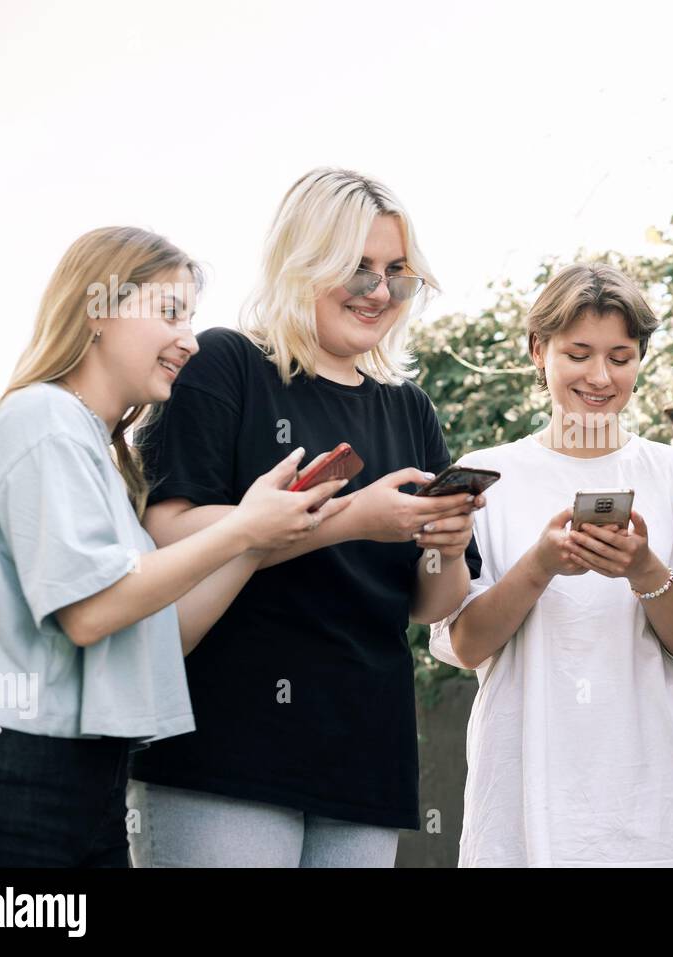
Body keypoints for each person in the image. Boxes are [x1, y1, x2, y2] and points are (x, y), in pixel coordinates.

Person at [0, 226, 347, 866]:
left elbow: (162, 629)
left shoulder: (86, 445)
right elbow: (92, 612)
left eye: (191, 318)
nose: (188, 339)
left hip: (78, 767)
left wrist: (260, 532)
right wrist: (243, 526)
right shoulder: (40, 420)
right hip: (12, 763)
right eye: (169, 313)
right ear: (96, 311)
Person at [125, 168, 482, 868]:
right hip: (226, 748)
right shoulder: (223, 364)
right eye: (358, 269)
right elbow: (169, 535)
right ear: (303, 261)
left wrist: (449, 542)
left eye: (397, 273)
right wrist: (347, 518)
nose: (379, 292)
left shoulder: (408, 406)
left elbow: (431, 604)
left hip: (363, 759)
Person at [430, 263, 673, 867]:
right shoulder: (485, 476)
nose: (600, 377)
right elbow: (464, 645)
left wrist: (646, 572)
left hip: (662, 819)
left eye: (620, 358)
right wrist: (540, 565)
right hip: (522, 816)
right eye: (578, 354)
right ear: (537, 350)